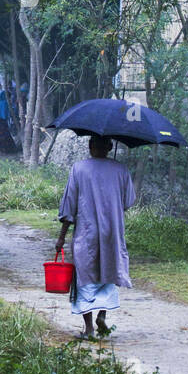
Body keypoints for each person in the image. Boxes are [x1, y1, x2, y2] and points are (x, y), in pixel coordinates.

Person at [55, 133, 135, 339]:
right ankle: (102, 315)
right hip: (112, 232)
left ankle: (89, 327)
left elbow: (69, 207)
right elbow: (127, 202)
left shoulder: (79, 169)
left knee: (85, 277)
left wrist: (62, 237)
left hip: (86, 232)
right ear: (109, 147)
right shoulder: (121, 170)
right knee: (108, 273)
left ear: (90, 146)